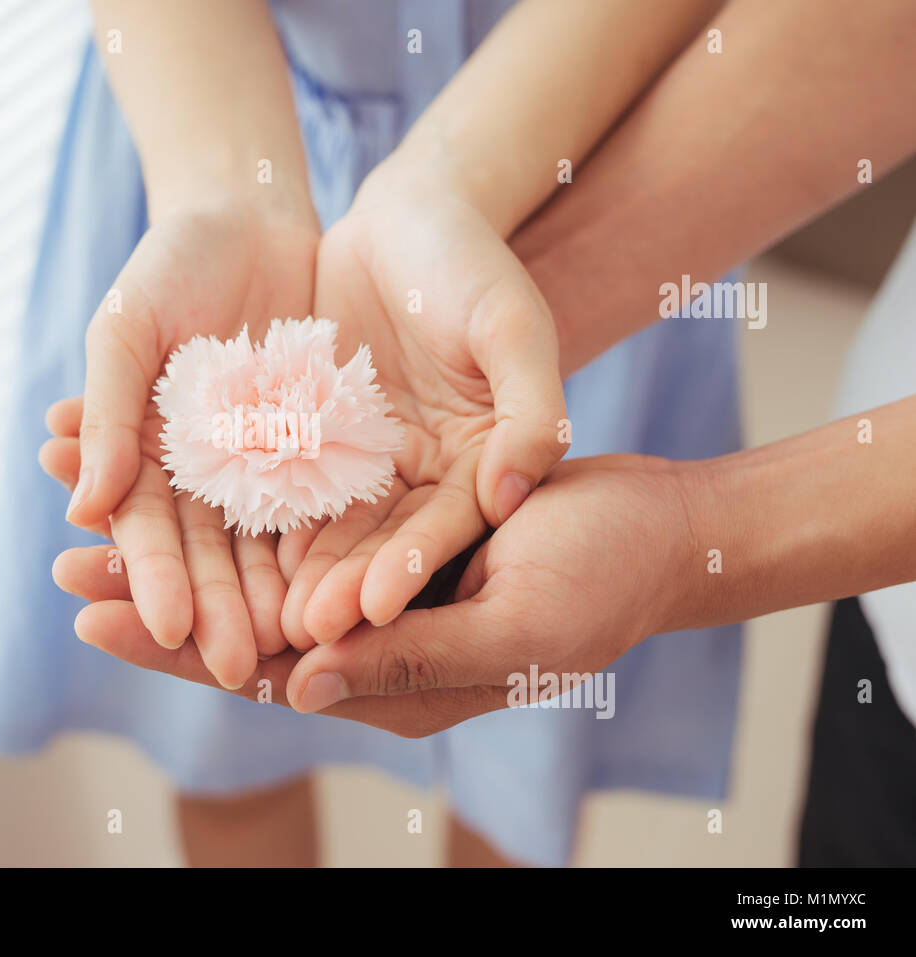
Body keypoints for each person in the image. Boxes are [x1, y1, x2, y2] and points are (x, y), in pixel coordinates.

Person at [57, 0, 916, 863]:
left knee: (516, 785)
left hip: (610, 138)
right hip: (217, 95)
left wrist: (693, 536)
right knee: (228, 757)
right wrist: (248, 186)